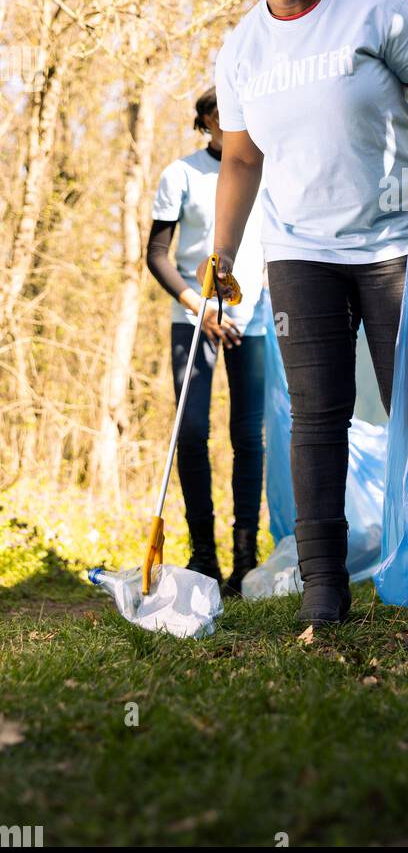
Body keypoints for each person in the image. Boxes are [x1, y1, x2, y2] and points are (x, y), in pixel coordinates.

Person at [199, 0, 408, 626]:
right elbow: (242, 161)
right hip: (298, 250)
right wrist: (223, 255)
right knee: (319, 414)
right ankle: (324, 589)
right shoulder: (241, 51)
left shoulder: (377, 10)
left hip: (395, 243)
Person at [147, 88, 269, 594]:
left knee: (247, 437)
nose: (228, 120)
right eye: (218, 113)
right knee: (192, 432)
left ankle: (245, 559)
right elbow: (156, 253)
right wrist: (197, 305)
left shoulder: (266, 169)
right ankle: (204, 557)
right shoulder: (181, 173)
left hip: (252, 319)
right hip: (193, 318)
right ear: (204, 121)